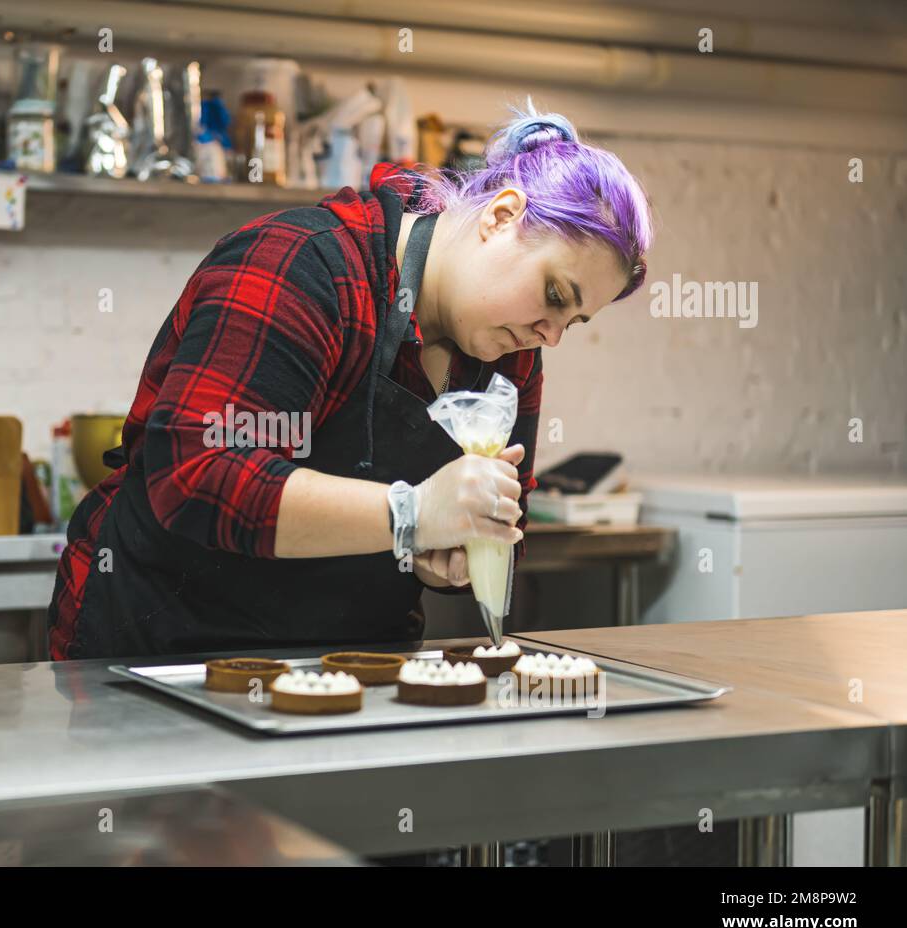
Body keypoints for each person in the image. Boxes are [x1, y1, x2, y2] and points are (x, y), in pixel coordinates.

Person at [48, 104, 654, 660]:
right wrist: (413, 513)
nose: (550, 335)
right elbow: (198, 476)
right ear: (501, 217)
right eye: (554, 295)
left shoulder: (509, 348)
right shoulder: (300, 266)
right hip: (165, 647)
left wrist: (452, 552)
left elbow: (503, 514)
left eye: (572, 321)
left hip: (350, 663)